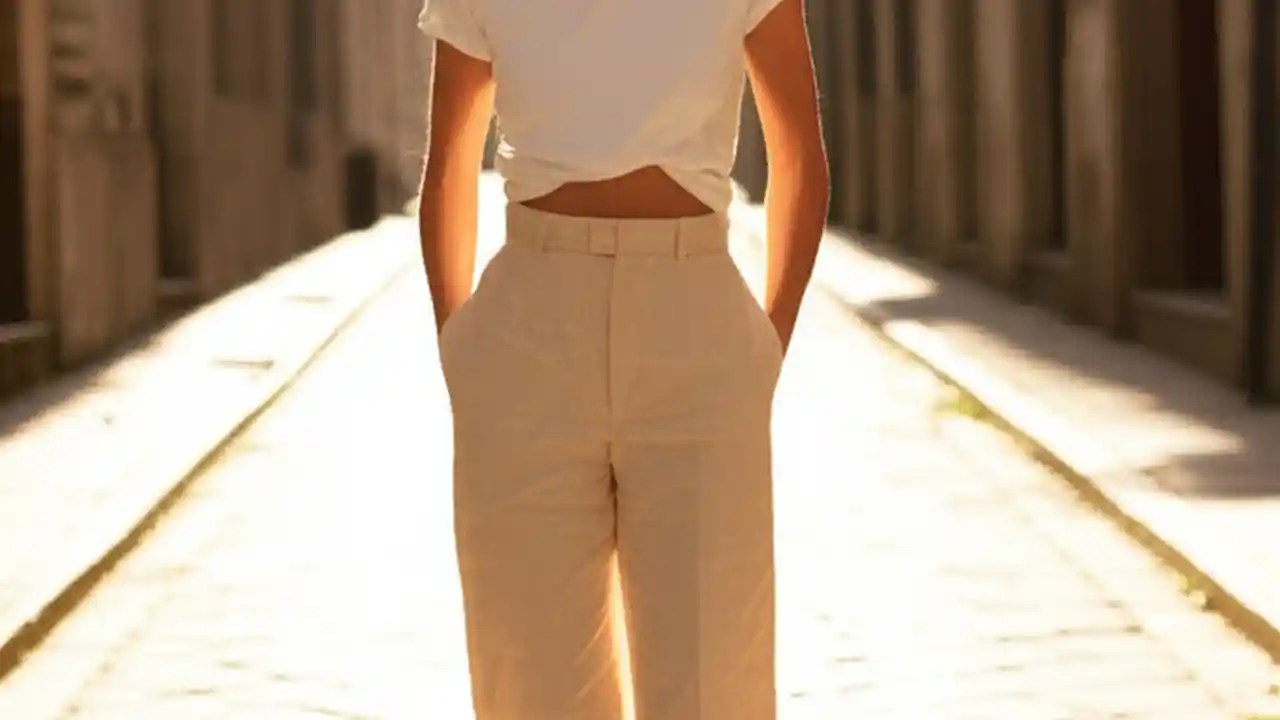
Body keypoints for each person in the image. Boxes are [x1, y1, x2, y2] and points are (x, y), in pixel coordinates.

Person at [417, 0, 828, 716]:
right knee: (530, 686)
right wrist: (463, 350)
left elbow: (798, 153)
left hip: (694, 312)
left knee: (712, 687)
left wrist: (766, 346)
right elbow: (450, 165)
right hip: (527, 326)